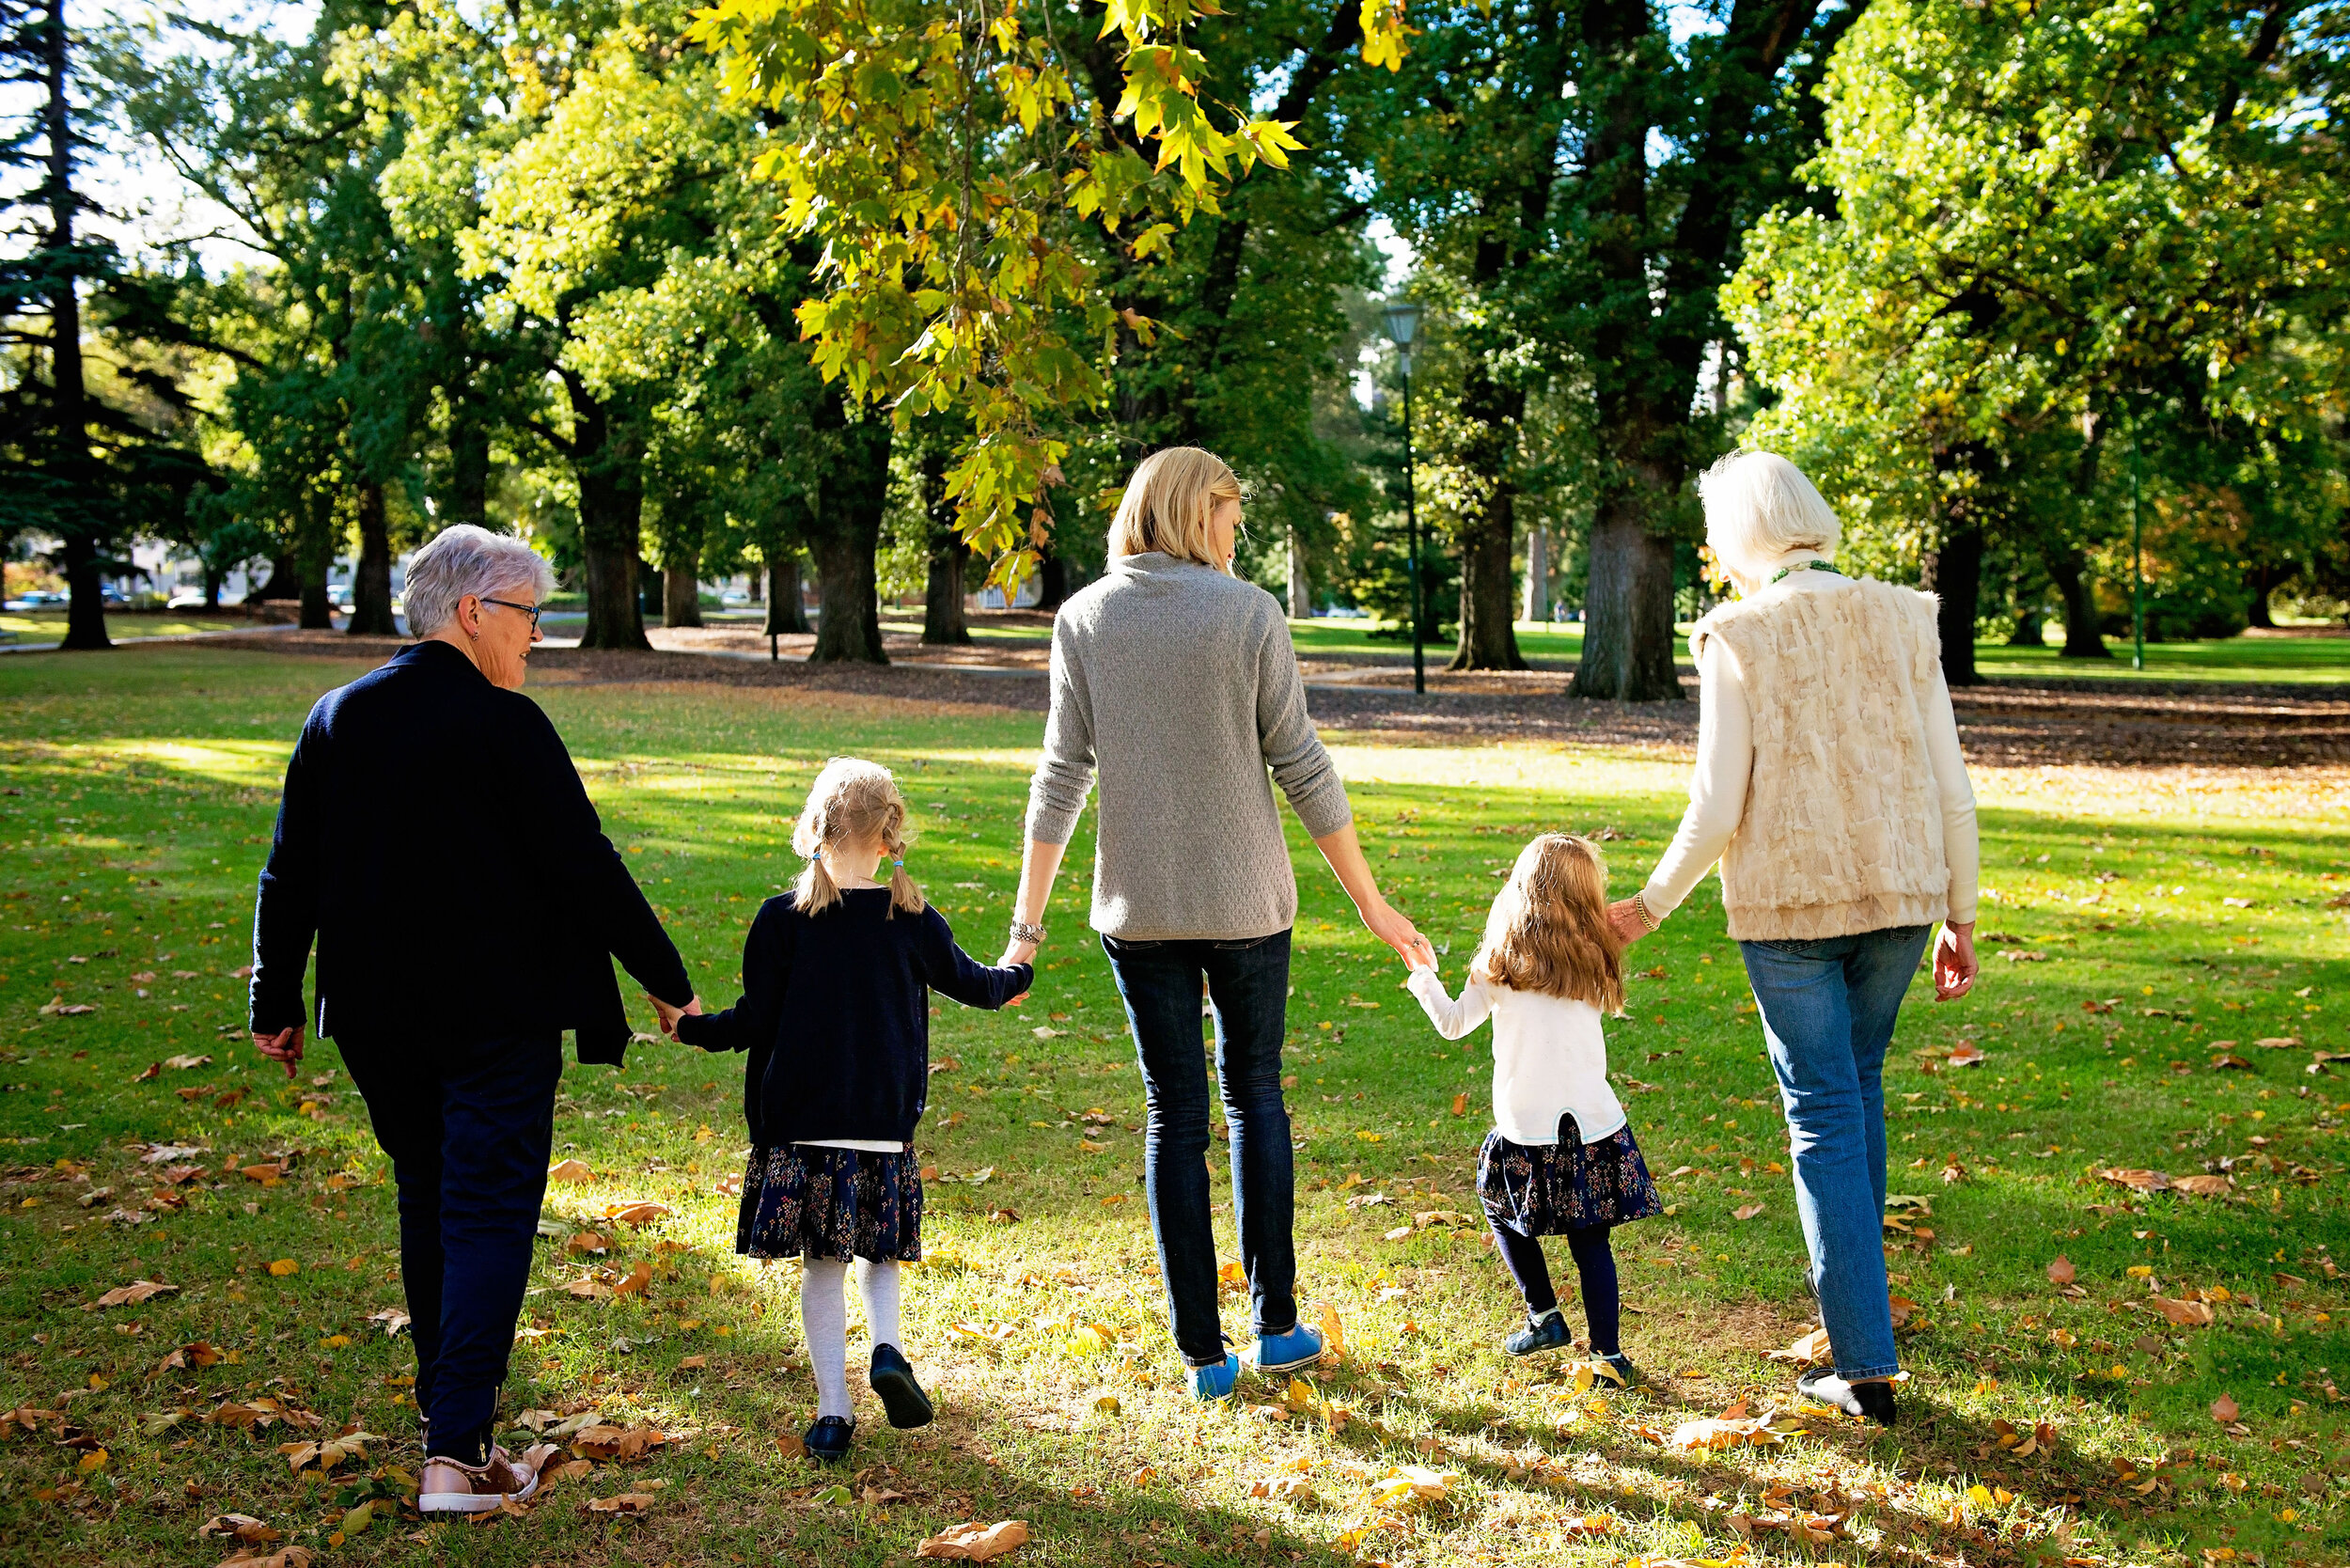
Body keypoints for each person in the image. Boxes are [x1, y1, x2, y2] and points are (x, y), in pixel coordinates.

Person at [247, 524, 702, 1513]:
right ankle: (455, 1456)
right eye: (528, 614)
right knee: (487, 1213)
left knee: (431, 1203)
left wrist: (272, 1003)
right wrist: (668, 983)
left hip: (373, 1018)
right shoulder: (507, 724)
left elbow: (289, 874)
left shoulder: (336, 717)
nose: (536, 635)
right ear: (471, 612)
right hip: (497, 1017)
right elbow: (587, 868)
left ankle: (454, 1441)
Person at [1004, 446, 1423, 1400]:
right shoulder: (1248, 615)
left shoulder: (1083, 618)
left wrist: (1025, 928)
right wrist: (1370, 901)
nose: (1237, 533)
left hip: (1138, 909)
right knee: (1254, 1101)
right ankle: (1275, 1328)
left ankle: (1203, 1355)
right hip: (1245, 906)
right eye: (1231, 515)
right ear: (1198, 514)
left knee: (1173, 1118)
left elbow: (1059, 775)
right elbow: (1303, 764)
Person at [1614, 450, 1982, 1426]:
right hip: (1903, 898)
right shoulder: (1907, 617)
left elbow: (1714, 801)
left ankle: (1863, 1362)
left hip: (1790, 909)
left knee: (1822, 1109)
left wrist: (1646, 904)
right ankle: (1862, 1326)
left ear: (1738, 537)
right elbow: (1951, 781)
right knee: (1853, 1090)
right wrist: (1963, 912)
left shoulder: (1737, 631)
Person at [671, 758, 1031, 1464]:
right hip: (884, 1125)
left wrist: (689, 1026)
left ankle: (833, 1414)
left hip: (805, 1124)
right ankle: (889, 1348)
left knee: (823, 1264)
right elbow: (982, 987)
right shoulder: (913, 918)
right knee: (880, 1253)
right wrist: (1021, 963)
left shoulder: (783, 919)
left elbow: (753, 1021)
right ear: (892, 836)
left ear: (815, 828)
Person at [1404, 835, 1660, 1386]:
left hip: (1525, 1123)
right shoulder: (1596, 959)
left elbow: (1452, 1024)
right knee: (1590, 1237)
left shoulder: (1498, 963)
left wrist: (1424, 976)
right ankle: (1608, 1355)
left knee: (1499, 1205)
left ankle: (1543, 1314)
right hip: (1593, 1121)